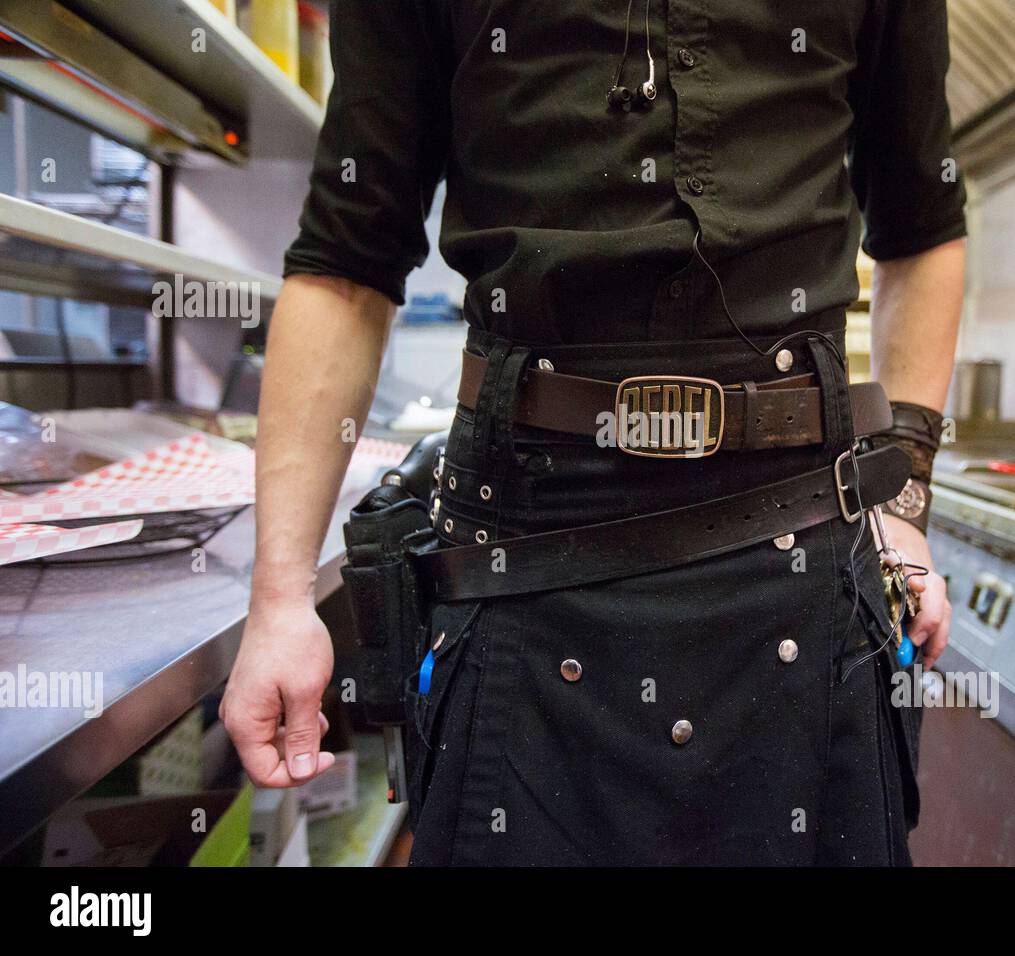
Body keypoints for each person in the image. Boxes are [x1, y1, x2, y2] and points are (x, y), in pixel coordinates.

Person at [220, 0, 966, 866]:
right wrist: (278, 599)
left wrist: (905, 504)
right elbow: (346, 263)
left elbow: (923, 231)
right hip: (521, 556)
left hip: (803, 555)